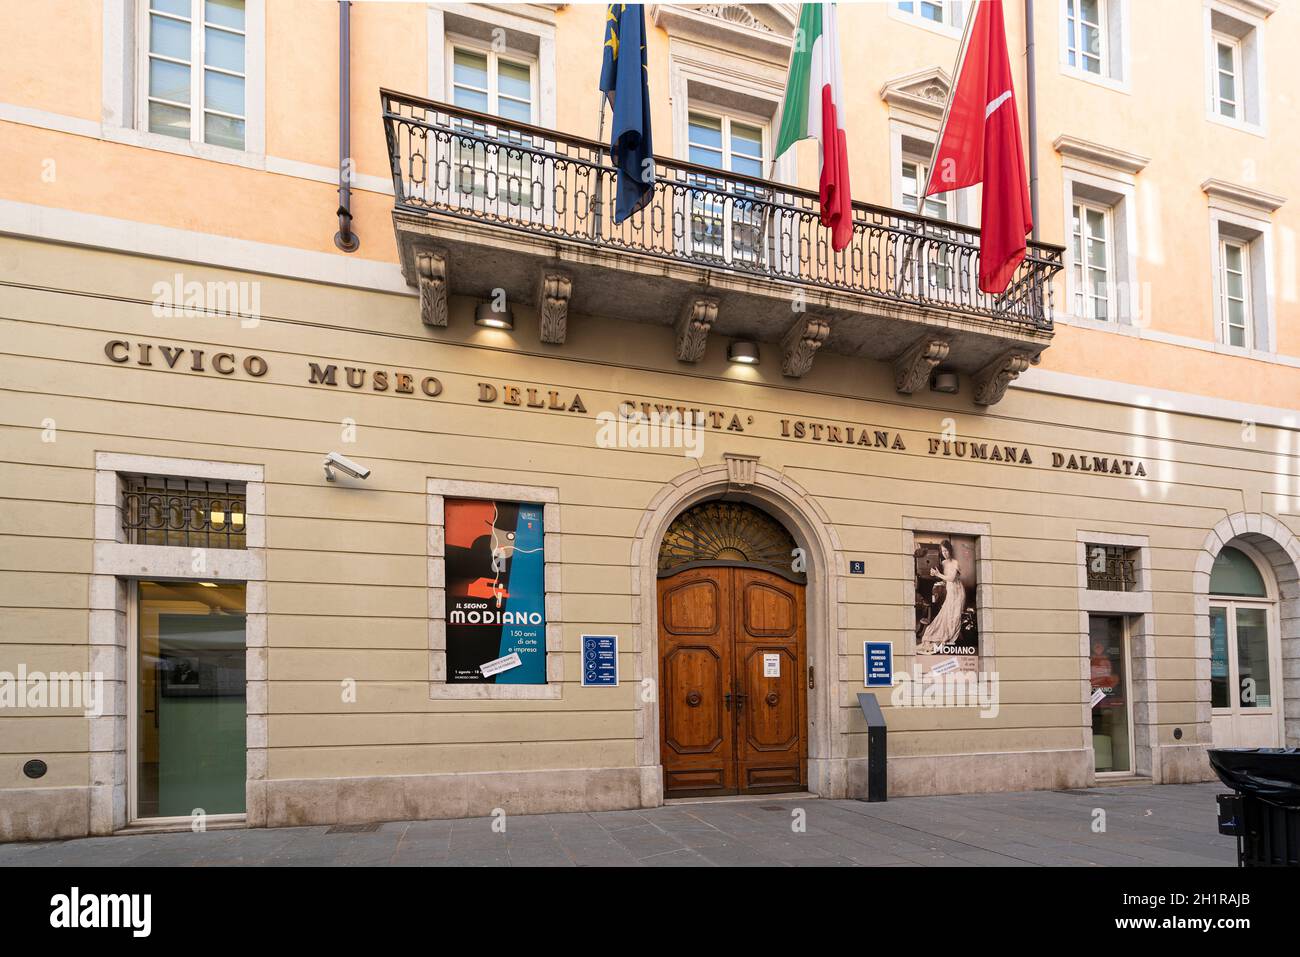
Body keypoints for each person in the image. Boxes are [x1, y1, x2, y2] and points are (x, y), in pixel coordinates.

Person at [918, 540, 964, 654]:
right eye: (943, 551)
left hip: (958, 592)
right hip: (950, 591)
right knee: (947, 614)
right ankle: (943, 637)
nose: (945, 553)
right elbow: (944, 578)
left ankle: (951, 638)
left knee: (955, 616)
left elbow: (952, 578)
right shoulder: (943, 563)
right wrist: (935, 575)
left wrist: (938, 574)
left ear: (950, 551)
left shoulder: (956, 563)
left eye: (947, 551)